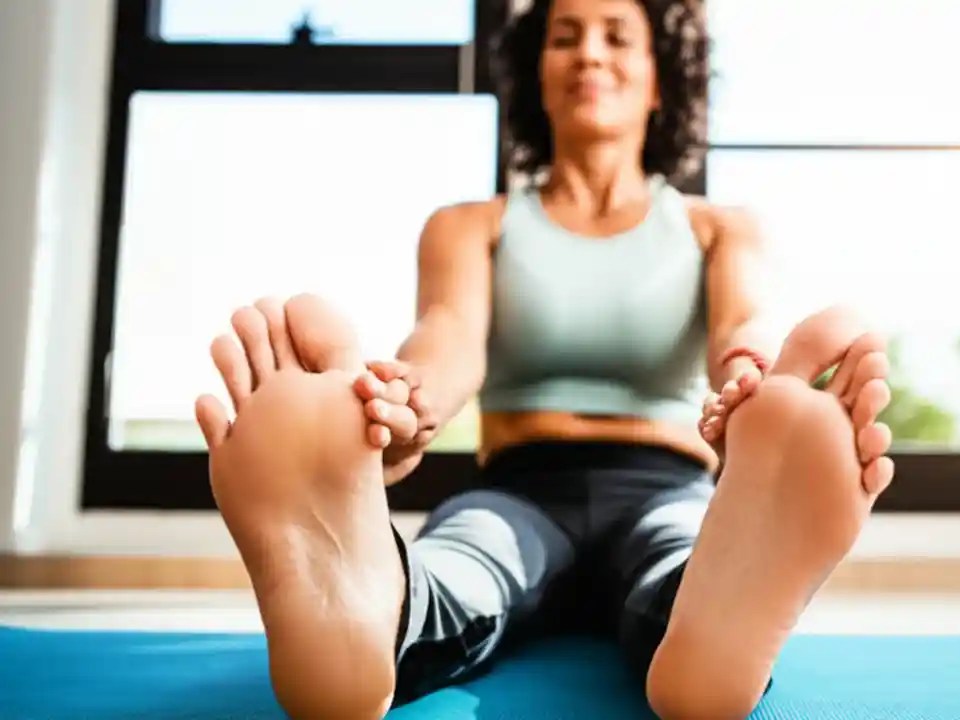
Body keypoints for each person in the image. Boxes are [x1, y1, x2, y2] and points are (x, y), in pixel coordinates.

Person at [193, 1, 895, 718]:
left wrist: (752, 379)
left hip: (666, 484)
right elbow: (449, 334)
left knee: (682, 553)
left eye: (616, 37)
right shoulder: (471, 226)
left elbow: (741, 326)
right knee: (468, 559)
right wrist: (402, 401)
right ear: (539, 74)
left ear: (660, 82)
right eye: (566, 38)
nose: (589, 54)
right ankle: (357, 611)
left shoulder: (719, 228)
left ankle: (722, 616)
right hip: (517, 490)